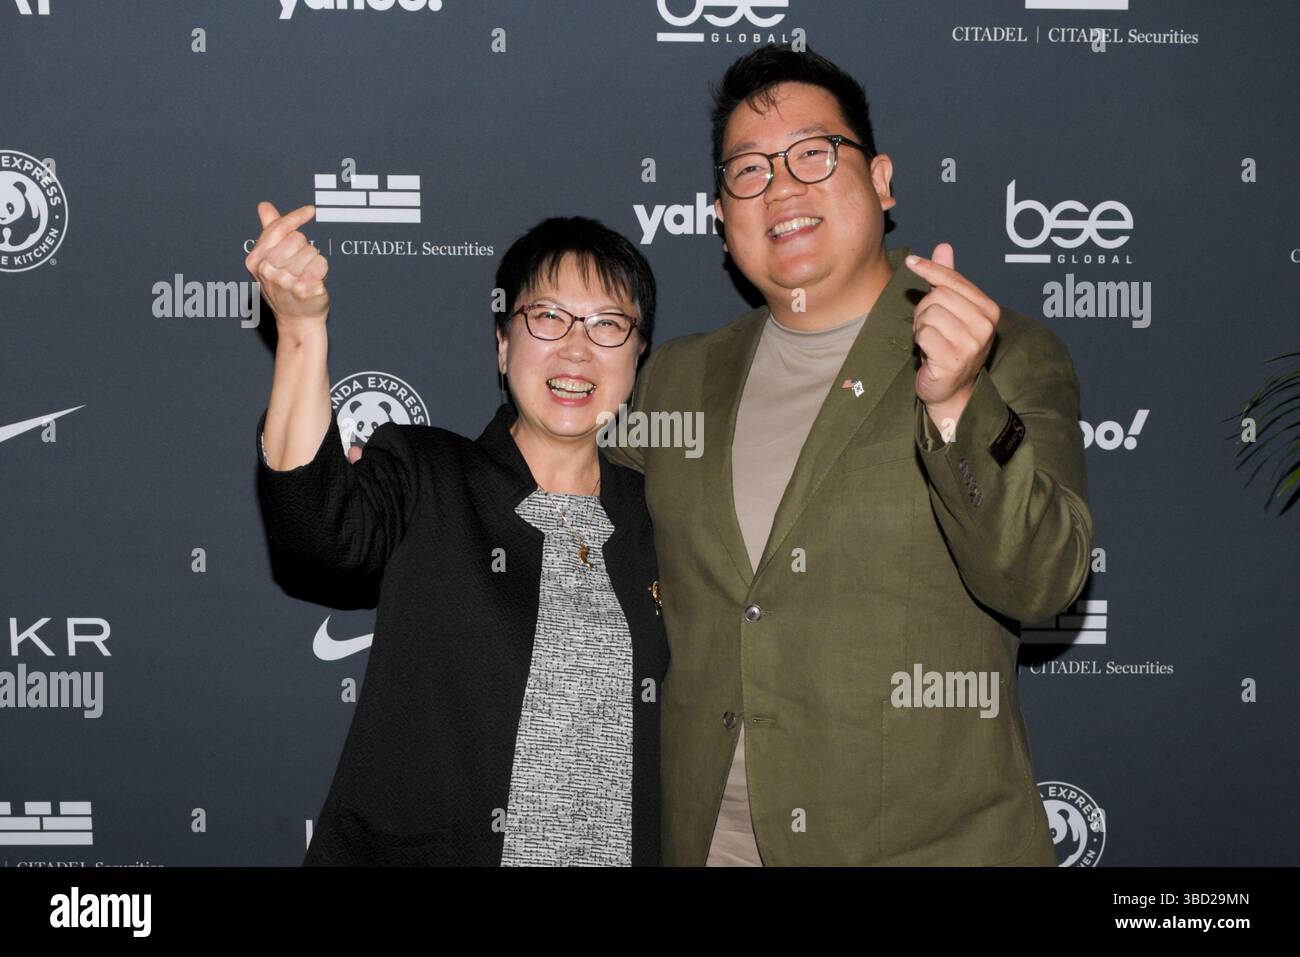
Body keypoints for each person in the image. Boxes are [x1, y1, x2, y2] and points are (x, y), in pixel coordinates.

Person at [601, 45, 1093, 866]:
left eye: (813, 154)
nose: (781, 187)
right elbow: (564, 488)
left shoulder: (1003, 352)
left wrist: (958, 404)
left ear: (883, 179)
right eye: (748, 170)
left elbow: (1042, 581)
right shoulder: (677, 376)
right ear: (721, 217)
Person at [248, 205, 668, 865]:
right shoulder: (429, 476)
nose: (576, 349)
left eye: (608, 325)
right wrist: (301, 330)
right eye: (548, 317)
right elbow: (314, 526)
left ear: (637, 354)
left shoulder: (657, 516)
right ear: (503, 344)